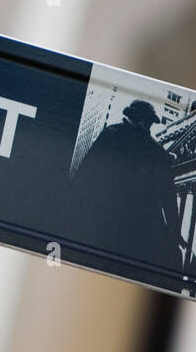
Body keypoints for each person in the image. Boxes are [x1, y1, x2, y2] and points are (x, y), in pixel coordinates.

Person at [72, 98, 184, 275]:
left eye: (149, 122)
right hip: (112, 221)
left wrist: (174, 233)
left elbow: (169, 197)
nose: (147, 125)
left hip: (134, 227)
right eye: (145, 120)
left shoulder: (154, 150)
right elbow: (86, 174)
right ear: (134, 117)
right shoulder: (113, 135)